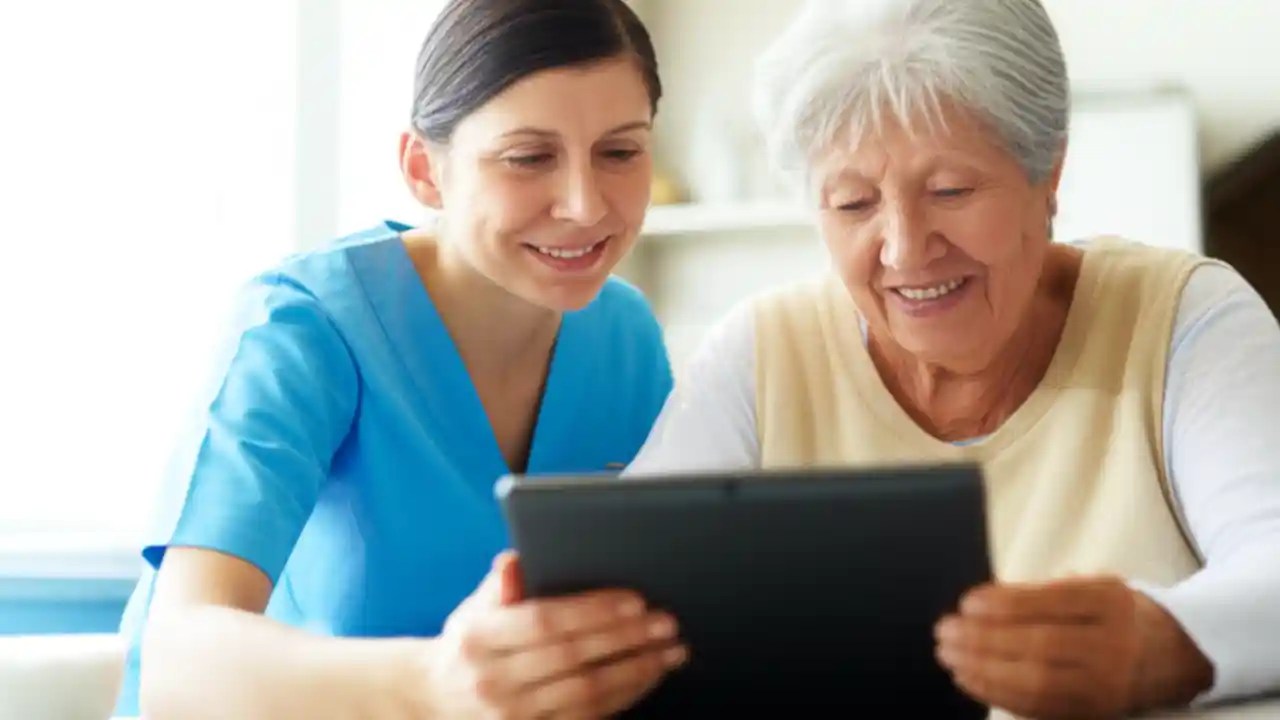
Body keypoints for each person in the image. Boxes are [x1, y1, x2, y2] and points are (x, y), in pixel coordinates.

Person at [626, 0, 1280, 718]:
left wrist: (1162, 644)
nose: (905, 249)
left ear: (1049, 172)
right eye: (852, 204)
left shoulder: (1183, 317)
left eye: (951, 191)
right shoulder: (763, 351)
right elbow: (630, 593)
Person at [115, 1, 689, 717]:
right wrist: (430, 685)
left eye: (620, 152)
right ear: (424, 169)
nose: (584, 204)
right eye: (529, 158)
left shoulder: (626, 339)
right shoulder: (307, 326)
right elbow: (179, 663)